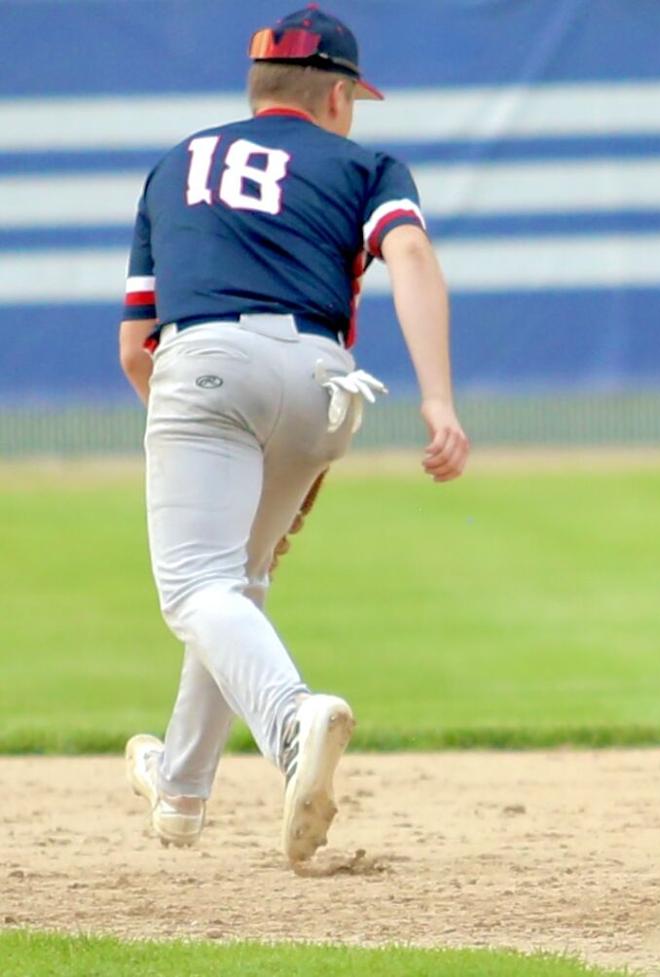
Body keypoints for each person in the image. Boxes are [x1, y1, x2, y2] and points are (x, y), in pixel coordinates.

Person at [116, 7, 470, 867]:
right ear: (340, 96)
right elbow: (412, 256)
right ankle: (182, 791)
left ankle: (289, 722)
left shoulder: (177, 166)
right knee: (237, 579)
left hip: (203, 359)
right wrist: (438, 402)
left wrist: (189, 424)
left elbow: (137, 346)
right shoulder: (365, 163)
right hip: (324, 380)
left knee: (194, 586)